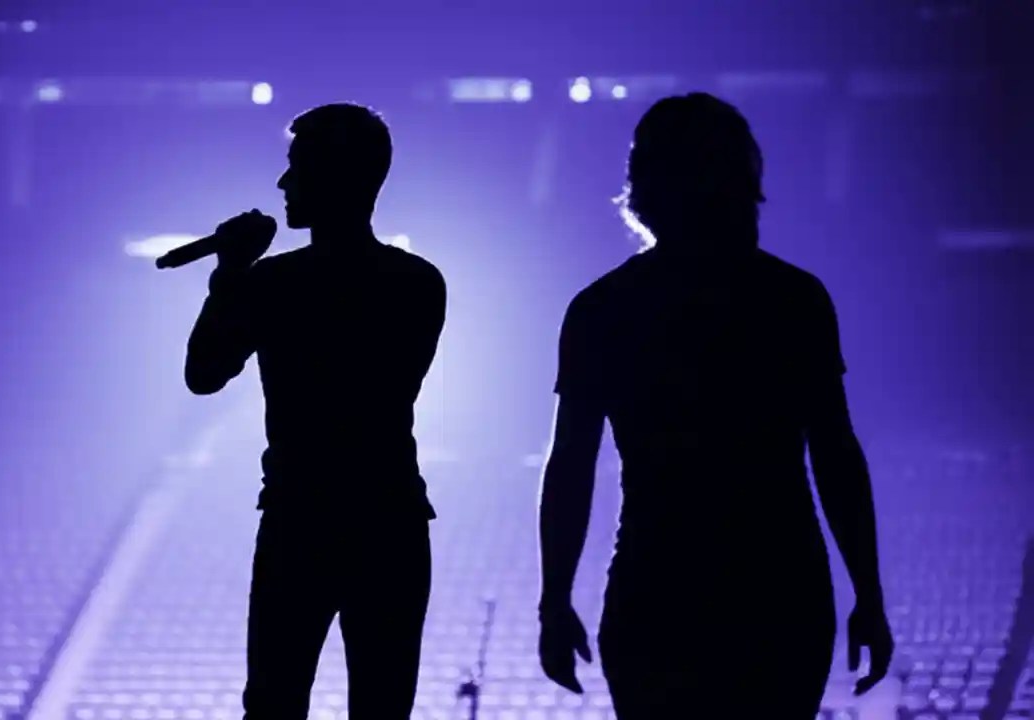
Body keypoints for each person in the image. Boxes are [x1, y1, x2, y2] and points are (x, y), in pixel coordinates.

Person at [536, 92, 894, 718]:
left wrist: (555, 600)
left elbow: (571, 464)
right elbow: (835, 452)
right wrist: (868, 591)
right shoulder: (793, 300)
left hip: (657, 587)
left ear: (643, 186)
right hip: (780, 589)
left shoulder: (602, 309)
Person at [184, 103, 447, 720]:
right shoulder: (417, 281)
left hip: (299, 518)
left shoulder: (274, 283)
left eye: (296, 167)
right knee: (382, 706)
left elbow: (203, 374)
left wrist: (231, 273)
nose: (283, 183)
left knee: (273, 705)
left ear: (331, 177)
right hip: (390, 518)